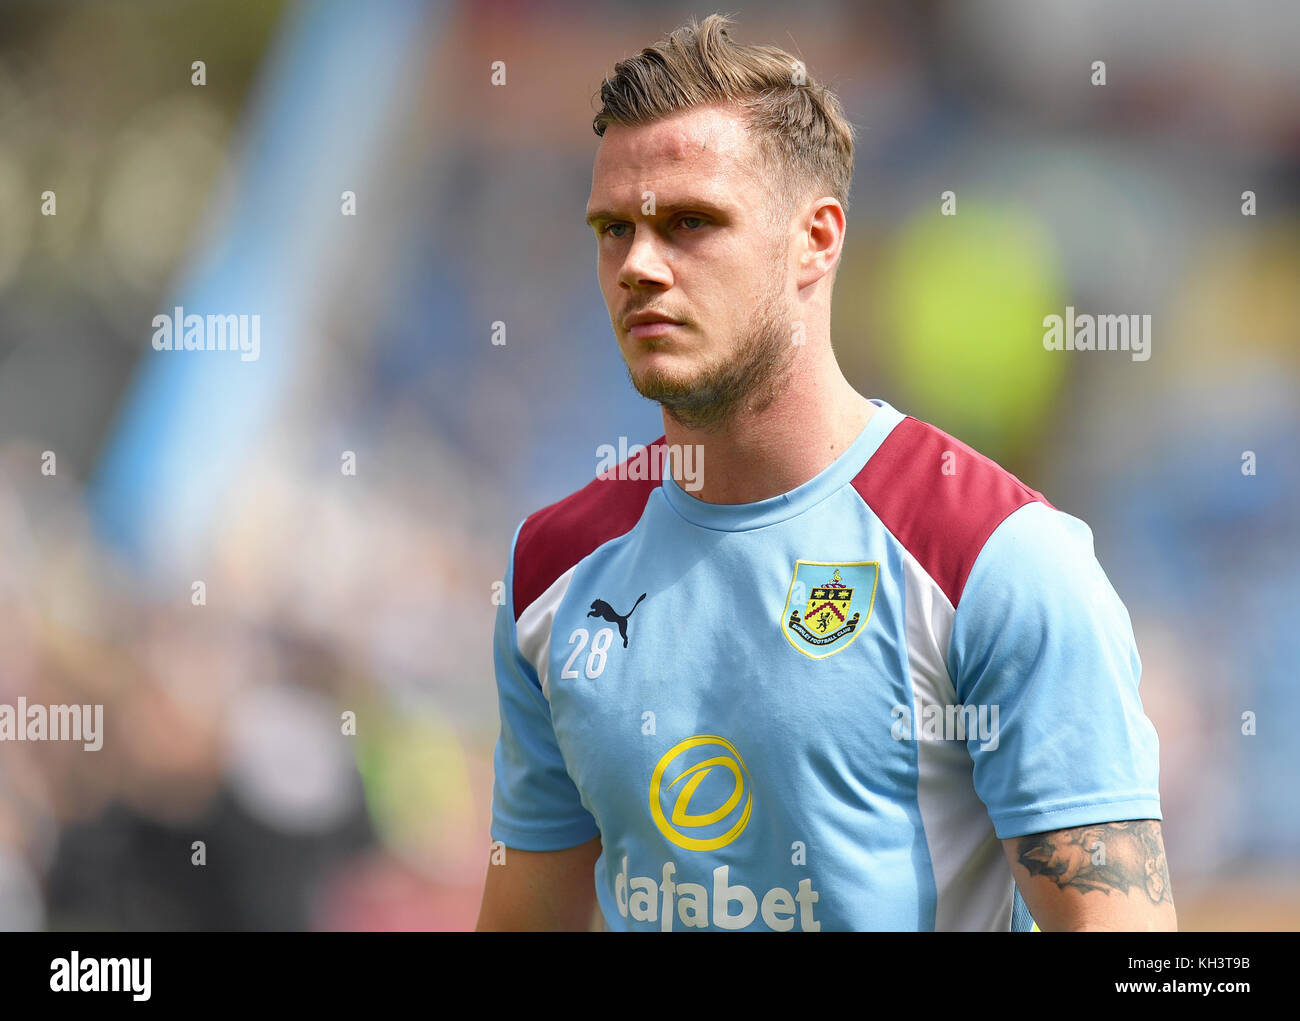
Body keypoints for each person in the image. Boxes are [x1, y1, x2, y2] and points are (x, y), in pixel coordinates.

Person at [476, 13, 1174, 932]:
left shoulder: (995, 560)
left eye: (690, 223)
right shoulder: (553, 568)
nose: (640, 265)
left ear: (817, 238)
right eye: (615, 229)